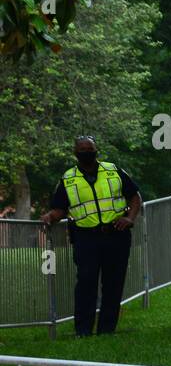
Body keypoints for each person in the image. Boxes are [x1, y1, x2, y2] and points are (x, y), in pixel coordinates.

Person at [41, 136, 143, 337]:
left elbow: (135, 197)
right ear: (75, 153)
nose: (86, 151)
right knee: (86, 284)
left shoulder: (113, 171)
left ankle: (106, 330)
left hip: (116, 235)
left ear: (97, 151)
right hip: (86, 238)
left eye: (90, 148)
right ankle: (83, 330)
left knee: (113, 284)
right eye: (82, 149)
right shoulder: (68, 178)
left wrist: (130, 218)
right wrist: (50, 216)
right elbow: (60, 209)